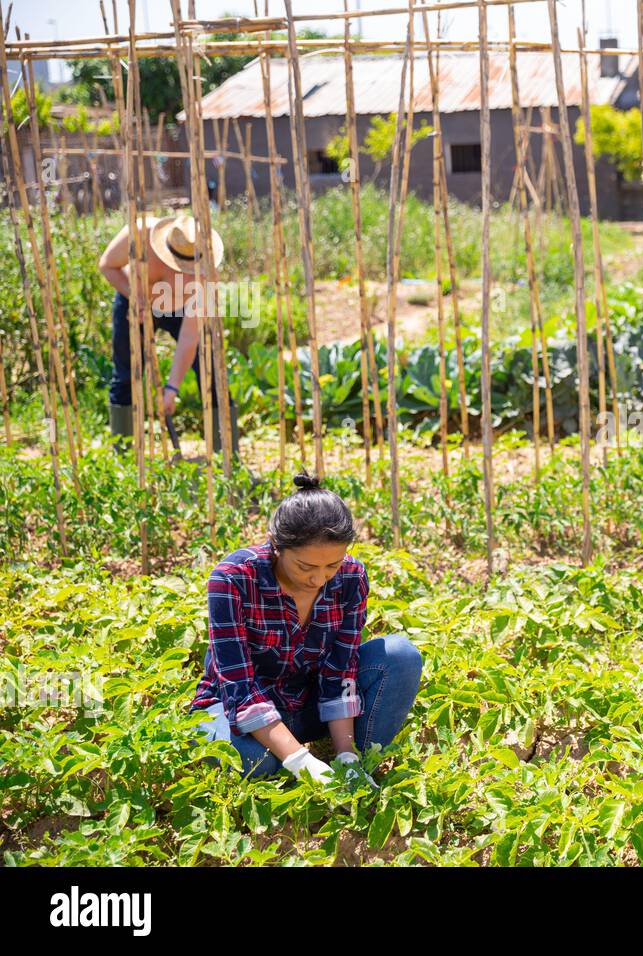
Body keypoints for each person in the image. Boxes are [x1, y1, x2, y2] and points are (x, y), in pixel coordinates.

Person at [190, 473, 422, 784]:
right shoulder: (233, 579)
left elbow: (340, 669)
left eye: (332, 565)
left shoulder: (352, 577)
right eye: (305, 566)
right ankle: (286, 756)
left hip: (305, 705)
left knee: (400, 657)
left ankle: (356, 765)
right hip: (236, 711)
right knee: (254, 763)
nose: (319, 579)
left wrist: (346, 754)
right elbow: (239, 688)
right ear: (276, 545)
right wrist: (300, 760)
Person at [97, 212, 239, 458]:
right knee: (126, 375)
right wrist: (135, 297)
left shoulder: (205, 276)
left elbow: (189, 337)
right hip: (135, 300)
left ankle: (227, 454)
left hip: (179, 310)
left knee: (213, 369)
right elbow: (107, 265)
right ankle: (123, 455)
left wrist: (171, 389)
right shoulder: (140, 233)